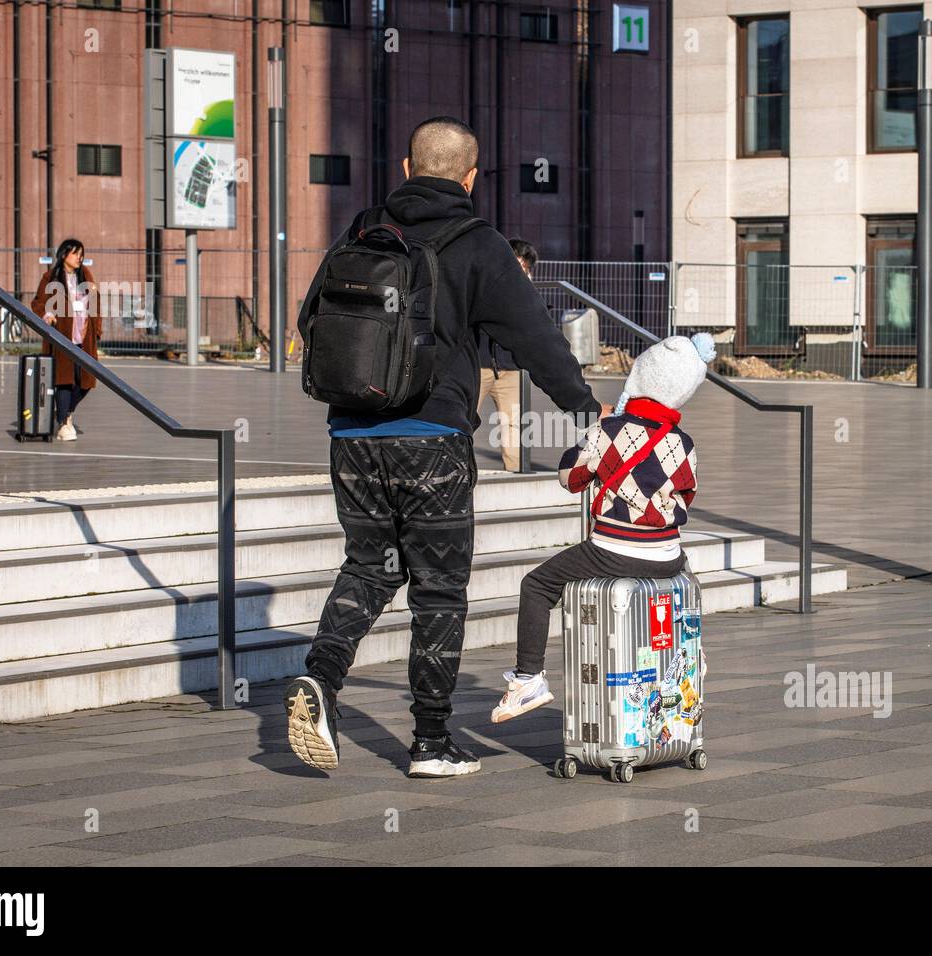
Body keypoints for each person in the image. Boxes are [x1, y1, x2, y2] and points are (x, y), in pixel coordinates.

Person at [284, 117, 614, 779]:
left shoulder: (363, 229)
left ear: (407, 169)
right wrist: (585, 412)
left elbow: (309, 319)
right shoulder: (479, 244)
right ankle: (431, 743)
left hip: (351, 432)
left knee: (368, 568)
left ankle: (320, 677)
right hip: (431, 439)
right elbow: (536, 341)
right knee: (438, 592)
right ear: (470, 176)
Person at [492, 333, 714, 723]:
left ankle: (528, 679)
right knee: (685, 574)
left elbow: (569, 476)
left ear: (639, 378)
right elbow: (686, 495)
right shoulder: (684, 443)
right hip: (666, 556)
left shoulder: (608, 431)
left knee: (537, 585)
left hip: (613, 550)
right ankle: (693, 655)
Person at [30, 238, 99, 440]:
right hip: (62, 337)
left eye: (81, 254)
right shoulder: (51, 277)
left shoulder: (85, 276)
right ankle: (63, 424)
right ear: (64, 255)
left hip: (84, 338)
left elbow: (95, 301)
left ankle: (65, 413)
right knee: (64, 381)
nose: (80, 257)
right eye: (76, 253)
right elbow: (38, 303)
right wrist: (47, 315)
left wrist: (97, 327)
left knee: (86, 381)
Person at [475, 238, 535, 471]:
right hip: (478, 364)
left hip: (510, 368)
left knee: (515, 427)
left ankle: (517, 473)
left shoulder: (527, 292)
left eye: (524, 267)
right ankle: (457, 474)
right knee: (464, 421)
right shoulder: (482, 283)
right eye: (515, 264)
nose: (520, 271)